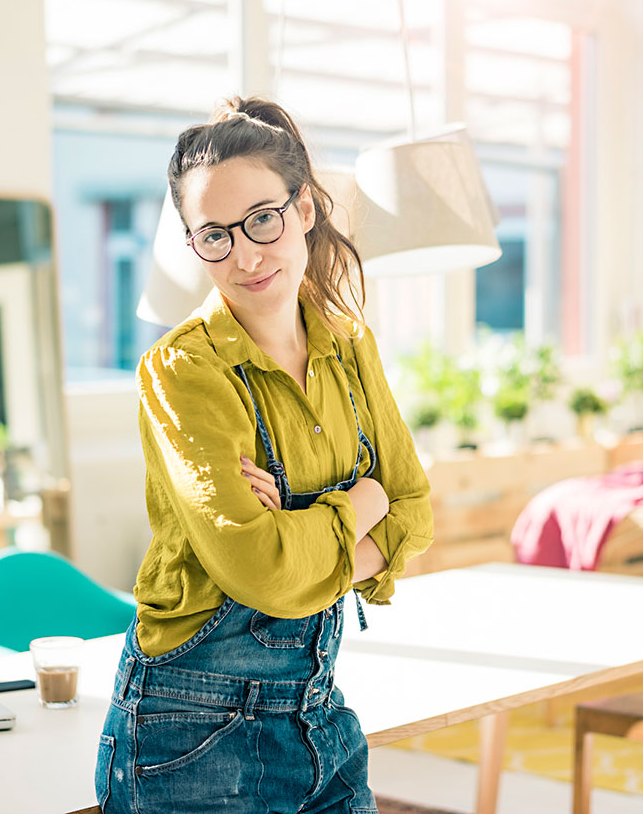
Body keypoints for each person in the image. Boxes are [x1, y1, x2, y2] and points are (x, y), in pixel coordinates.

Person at [93, 96, 434, 814]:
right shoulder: (182, 372)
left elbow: (415, 508)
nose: (245, 255)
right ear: (193, 244)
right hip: (187, 735)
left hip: (317, 716)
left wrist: (307, 528)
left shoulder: (350, 346)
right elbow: (263, 568)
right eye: (214, 235)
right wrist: (358, 501)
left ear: (303, 208)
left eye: (261, 220)